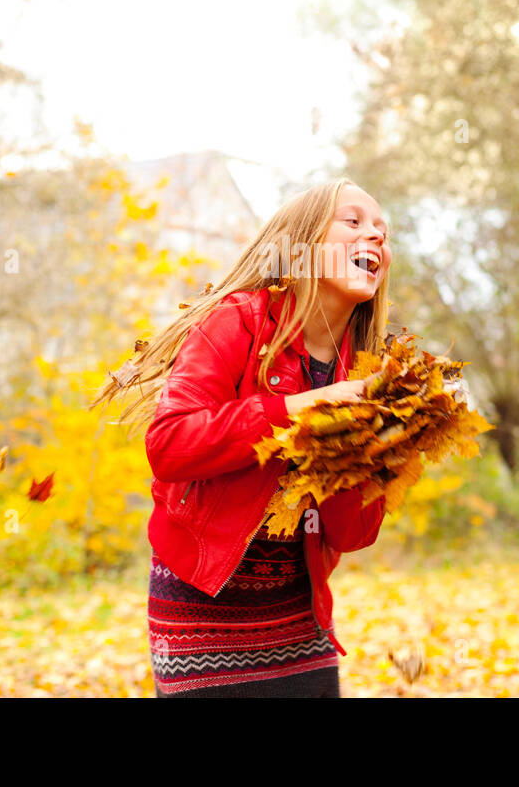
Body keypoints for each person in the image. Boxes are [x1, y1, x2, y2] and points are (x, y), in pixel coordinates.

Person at [94, 177, 393, 697]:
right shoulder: (238, 321)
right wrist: (293, 408)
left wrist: (371, 453)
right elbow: (168, 444)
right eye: (354, 221)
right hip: (199, 612)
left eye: (383, 233)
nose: (375, 238)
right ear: (303, 243)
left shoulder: (365, 373)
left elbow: (352, 534)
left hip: (297, 616)